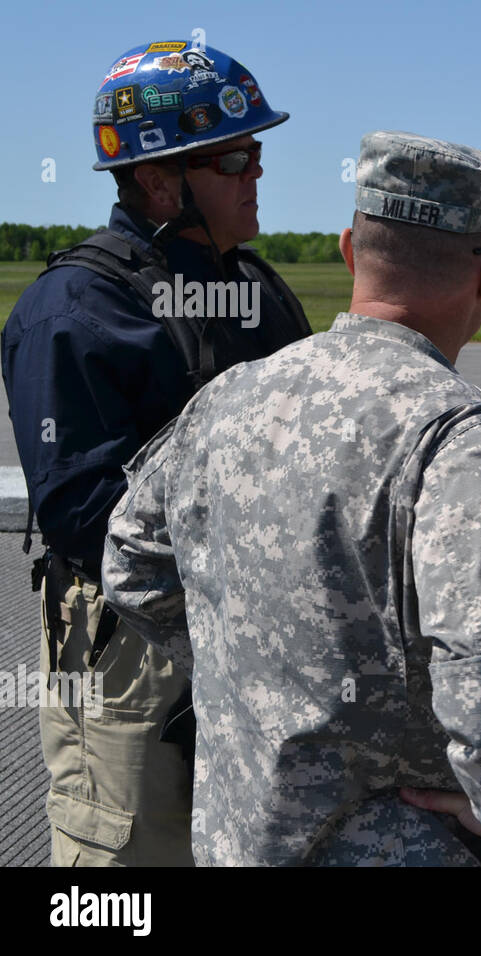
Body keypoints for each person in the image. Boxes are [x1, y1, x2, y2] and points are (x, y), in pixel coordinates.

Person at [101, 131, 481, 866]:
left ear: (347, 250)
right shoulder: (461, 439)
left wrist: (257, 682)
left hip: (240, 840)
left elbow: (131, 566)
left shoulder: (228, 397)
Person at [1, 40, 311, 866]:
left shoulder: (256, 291)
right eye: (237, 157)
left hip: (258, 630)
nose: (257, 174)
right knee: (130, 857)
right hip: (130, 642)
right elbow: (83, 514)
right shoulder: (74, 309)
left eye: (257, 154)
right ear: (158, 179)